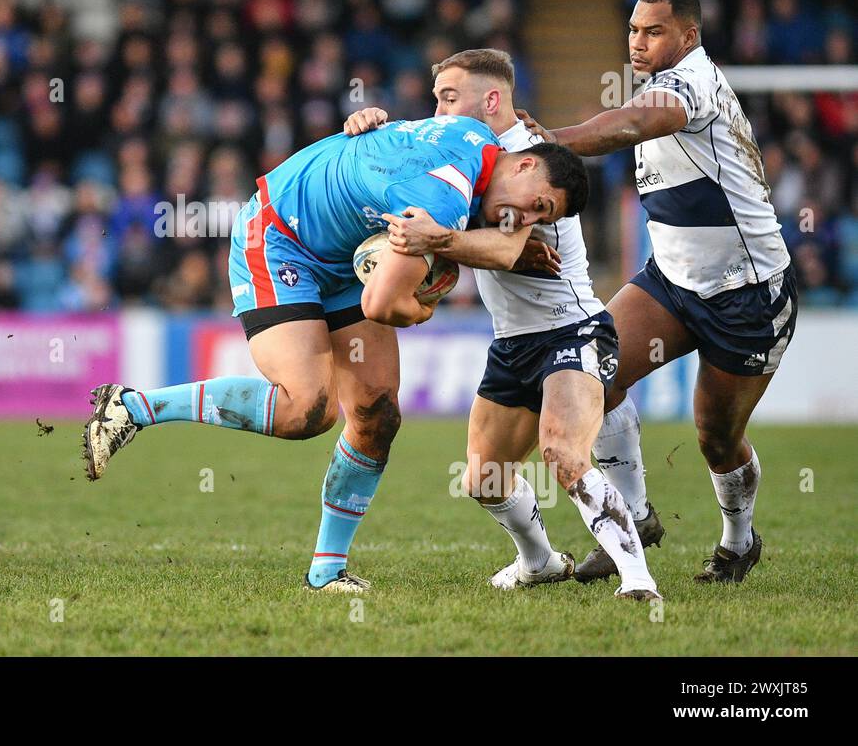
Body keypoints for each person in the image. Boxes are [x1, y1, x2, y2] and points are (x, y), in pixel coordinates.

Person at [83, 111, 589, 593]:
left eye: (540, 218)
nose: (524, 219)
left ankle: (327, 573)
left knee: (377, 411)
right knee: (307, 409)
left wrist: (371, 117)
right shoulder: (441, 195)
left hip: (344, 253)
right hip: (279, 237)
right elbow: (383, 305)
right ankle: (132, 407)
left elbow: (409, 144)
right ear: (524, 164)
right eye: (537, 205)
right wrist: (423, 308)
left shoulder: (475, 136)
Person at [344, 49, 661, 600]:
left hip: (570, 331)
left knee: (561, 451)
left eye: (449, 99)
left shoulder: (528, 161)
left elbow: (504, 245)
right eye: (436, 99)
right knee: (482, 480)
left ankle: (638, 580)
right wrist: (370, 128)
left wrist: (437, 240)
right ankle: (539, 562)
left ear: (491, 100)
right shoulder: (464, 150)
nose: (439, 113)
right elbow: (411, 166)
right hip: (513, 343)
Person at [518, 0, 796, 583]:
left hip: (746, 293)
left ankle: (738, 541)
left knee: (716, 437)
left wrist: (554, 141)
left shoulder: (693, 82)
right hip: (670, 282)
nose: (637, 42)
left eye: (654, 31)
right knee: (596, 373)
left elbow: (632, 124)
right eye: (633, 30)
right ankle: (637, 517)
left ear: (688, 36)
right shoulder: (656, 85)